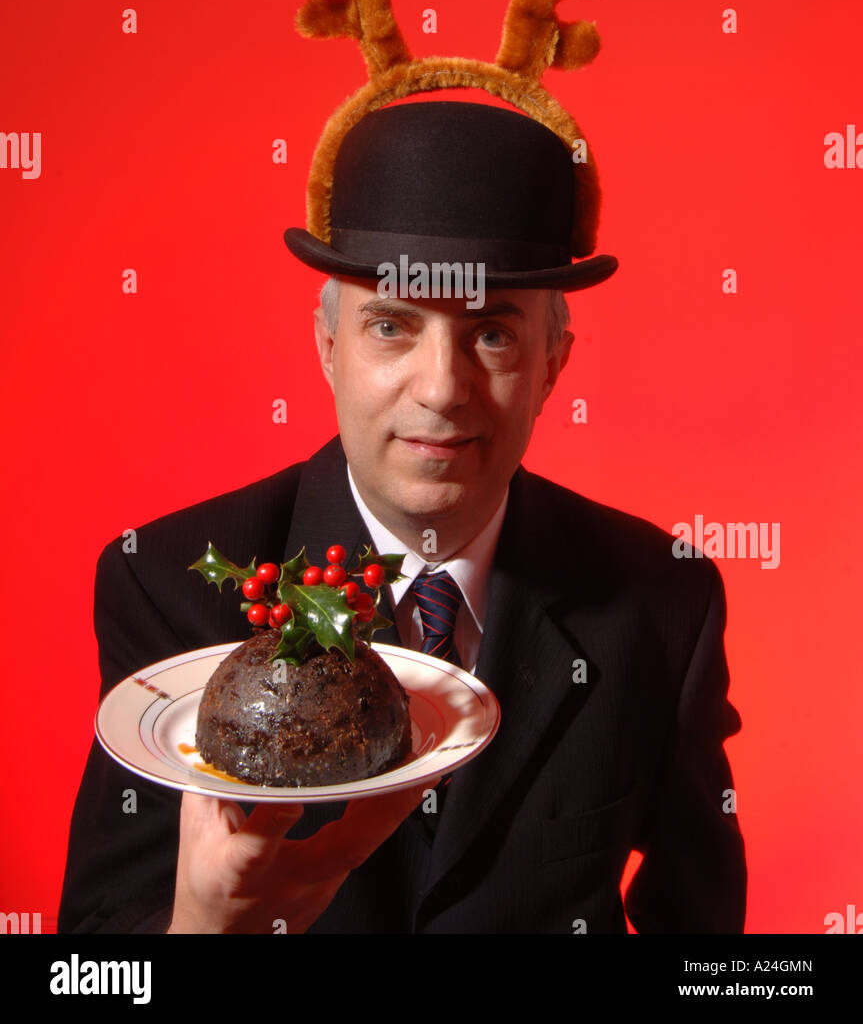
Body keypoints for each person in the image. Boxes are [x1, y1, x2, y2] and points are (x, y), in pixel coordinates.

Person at [58, 100, 747, 934]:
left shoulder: (661, 599)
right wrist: (206, 931)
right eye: (391, 326)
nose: (441, 389)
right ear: (328, 347)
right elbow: (91, 965)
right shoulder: (166, 582)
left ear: (552, 364)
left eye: (491, 334)